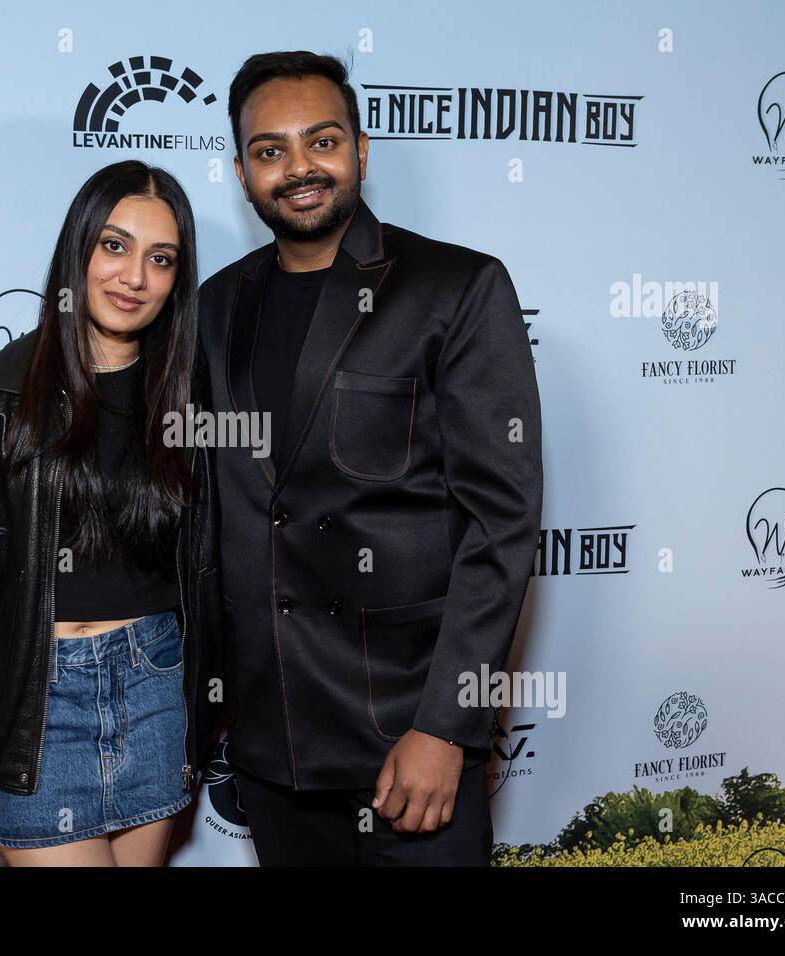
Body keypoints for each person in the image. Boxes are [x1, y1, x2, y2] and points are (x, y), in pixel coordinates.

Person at [197, 51, 544, 865]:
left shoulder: (455, 288)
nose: (298, 168)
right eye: (269, 150)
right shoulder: (216, 307)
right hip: (269, 745)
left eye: (321, 141)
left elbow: (501, 525)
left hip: (403, 744)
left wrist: (445, 728)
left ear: (360, 150)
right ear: (243, 172)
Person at [0, 160, 223, 866]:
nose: (134, 278)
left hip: (157, 691)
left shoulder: (190, 402)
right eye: (114, 247)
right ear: (77, 251)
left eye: (161, 259)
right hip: (34, 711)